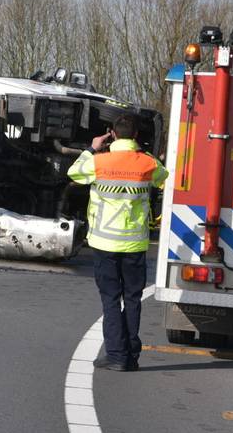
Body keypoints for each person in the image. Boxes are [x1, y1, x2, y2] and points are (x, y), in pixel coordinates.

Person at [68, 114, 168, 372]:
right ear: (136, 136)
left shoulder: (99, 161)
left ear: (112, 134)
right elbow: (164, 176)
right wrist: (143, 153)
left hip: (104, 243)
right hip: (135, 244)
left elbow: (74, 172)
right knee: (132, 299)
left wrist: (92, 147)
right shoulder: (147, 163)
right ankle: (131, 355)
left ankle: (116, 355)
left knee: (111, 299)